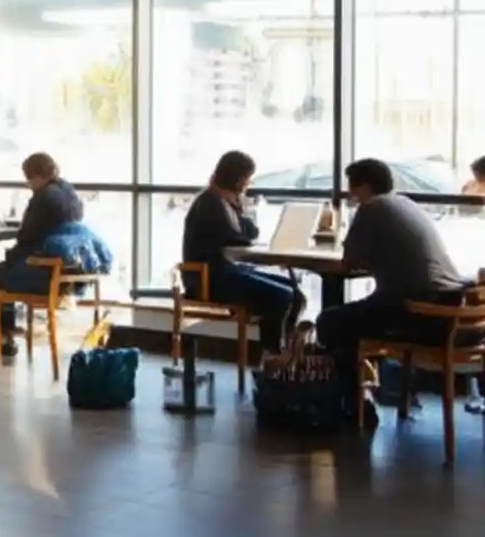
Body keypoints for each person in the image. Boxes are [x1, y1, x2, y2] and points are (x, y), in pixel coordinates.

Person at [317, 158, 470, 421]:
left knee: (330, 322)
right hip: (452, 310)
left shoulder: (372, 208)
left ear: (362, 186)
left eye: (352, 187)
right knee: (350, 318)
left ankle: (355, 406)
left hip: (419, 314)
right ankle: (369, 396)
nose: (351, 194)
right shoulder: (406, 204)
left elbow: (348, 262)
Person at [181, 150, 303, 353]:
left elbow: (250, 232)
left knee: (294, 292)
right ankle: (271, 357)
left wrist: (237, 207)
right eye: (247, 179)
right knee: (282, 296)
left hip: (224, 271)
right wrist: (238, 208)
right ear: (238, 180)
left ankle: (286, 353)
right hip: (209, 279)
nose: (248, 184)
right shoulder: (209, 203)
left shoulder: (222, 201)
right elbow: (239, 236)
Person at [0, 152, 85, 356]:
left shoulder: (43, 197)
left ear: (35, 177)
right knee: (4, 269)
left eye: (28, 179)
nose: (28, 184)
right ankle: (5, 332)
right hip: (67, 273)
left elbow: (26, 236)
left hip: (44, 275)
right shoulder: (70, 193)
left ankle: (4, 336)